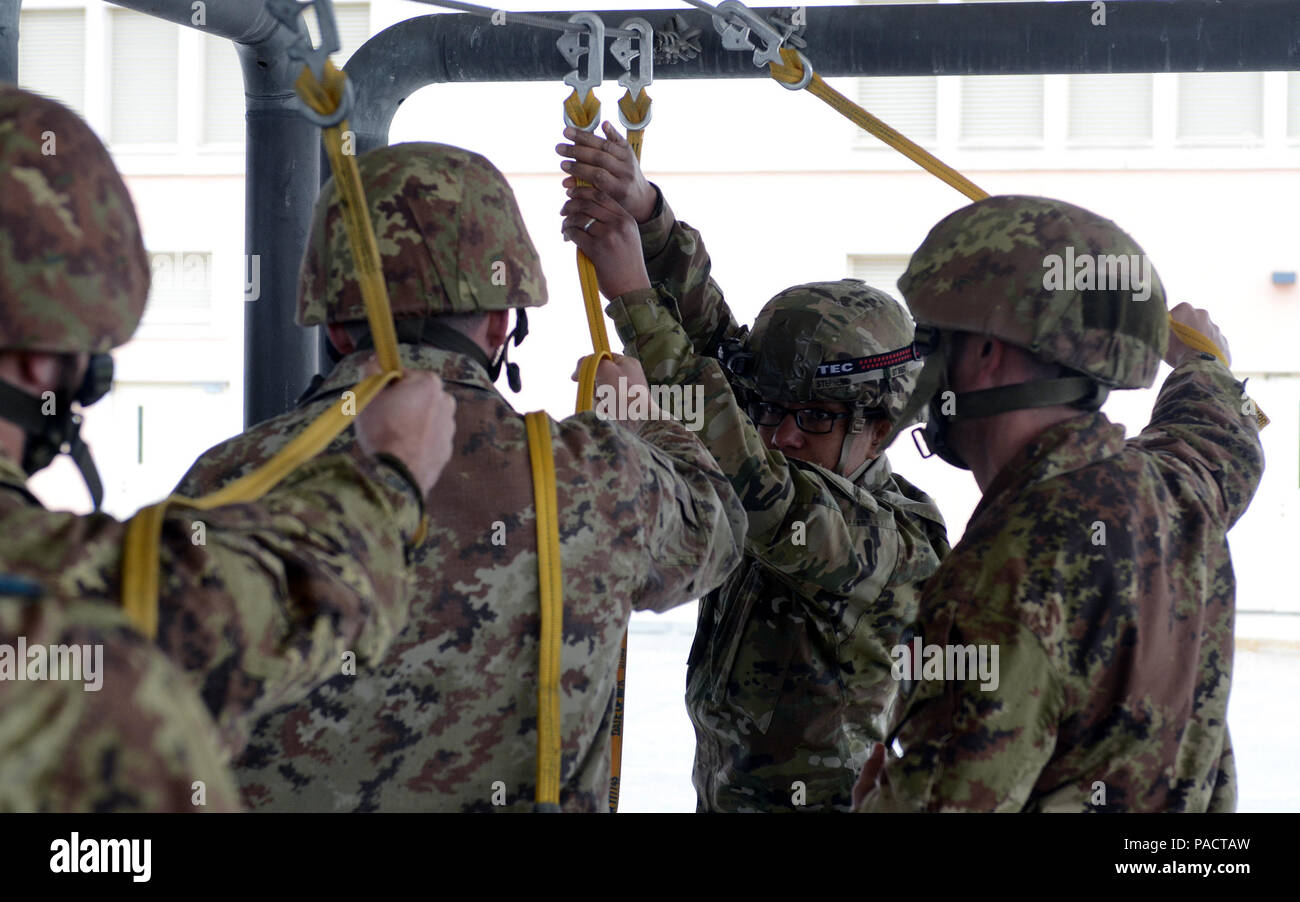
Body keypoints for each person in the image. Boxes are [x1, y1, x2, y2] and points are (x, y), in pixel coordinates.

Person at [176, 141, 747, 812]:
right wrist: (639, 421)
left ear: (334, 327)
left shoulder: (226, 479)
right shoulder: (594, 476)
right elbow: (719, 528)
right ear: (504, 322)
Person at [0, 86, 455, 811]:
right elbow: (223, 599)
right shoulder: (86, 657)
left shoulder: (221, 475)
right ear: (43, 354)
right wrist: (393, 473)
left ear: (334, 330)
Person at [557, 123, 950, 812]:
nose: (786, 433)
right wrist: (646, 214)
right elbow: (715, 354)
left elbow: (759, 488)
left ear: (882, 429)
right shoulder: (773, 429)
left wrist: (632, 300)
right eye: (771, 409)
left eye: (818, 418)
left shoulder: (899, 540)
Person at [852, 195, 1264, 812]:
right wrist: (1204, 362)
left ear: (987, 353)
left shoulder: (1001, 575)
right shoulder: (1177, 495)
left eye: (934, 342)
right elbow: (1218, 441)